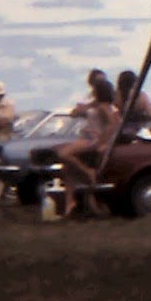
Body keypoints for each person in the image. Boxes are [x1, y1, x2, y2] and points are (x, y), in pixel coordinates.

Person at [56, 76, 117, 218]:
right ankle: (70, 204)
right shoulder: (98, 105)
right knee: (68, 169)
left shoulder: (104, 107)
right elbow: (76, 112)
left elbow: (112, 124)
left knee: (63, 154)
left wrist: (101, 141)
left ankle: (88, 171)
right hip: (88, 136)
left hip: (92, 139)